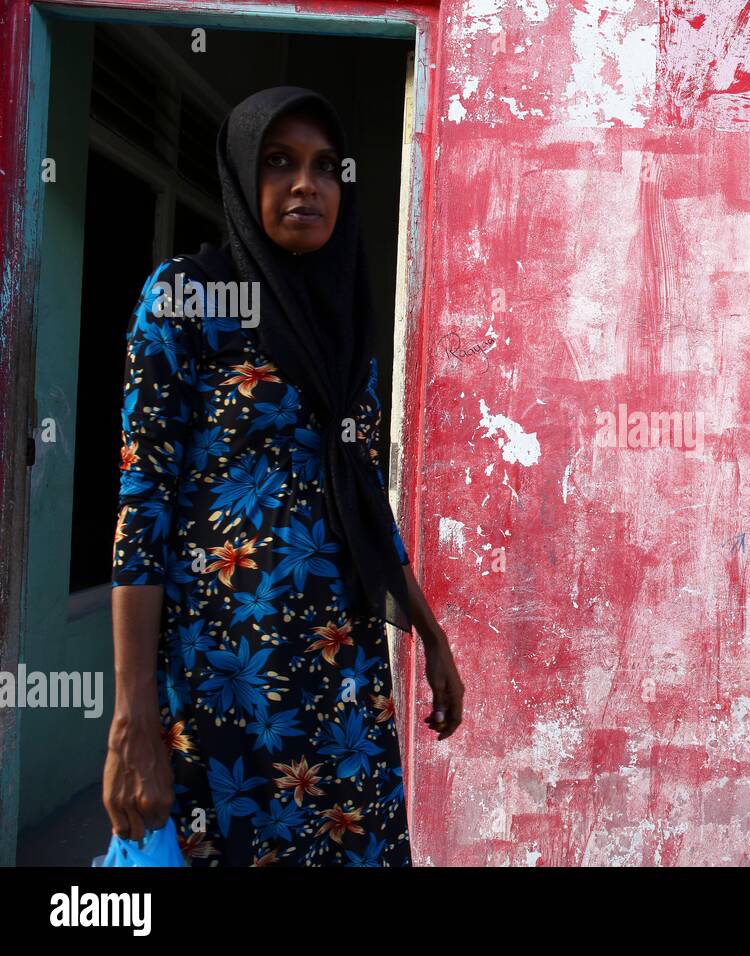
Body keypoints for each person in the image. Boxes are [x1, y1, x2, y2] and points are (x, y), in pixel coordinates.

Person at [102, 86, 463, 866]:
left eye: (326, 166)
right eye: (280, 162)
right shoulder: (186, 299)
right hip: (221, 678)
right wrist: (131, 715)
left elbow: (363, 488)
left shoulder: (343, 324)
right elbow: (143, 507)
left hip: (339, 674)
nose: (307, 183)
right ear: (240, 175)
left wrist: (430, 634)